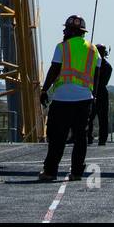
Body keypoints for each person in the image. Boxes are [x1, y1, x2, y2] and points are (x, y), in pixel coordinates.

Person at [39, 15, 100, 181]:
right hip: (84, 100)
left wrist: (44, 90)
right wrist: (94, 97)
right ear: (82, 33)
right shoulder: (93, 50)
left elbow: (54, 70)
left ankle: (50, 172)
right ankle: (77, 172)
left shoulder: (62, 47)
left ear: (68, 31)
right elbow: (97, 76)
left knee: (57, 137)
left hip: (62, 100)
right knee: (80, 138)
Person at [85, 44, 112, 146]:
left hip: (100, 93)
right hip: (92, 91)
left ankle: (102, 139)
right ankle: (89, 137)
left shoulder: (106, 67)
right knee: (89, 117)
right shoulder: (91, 65)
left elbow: (103, 82)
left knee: (102, 118)